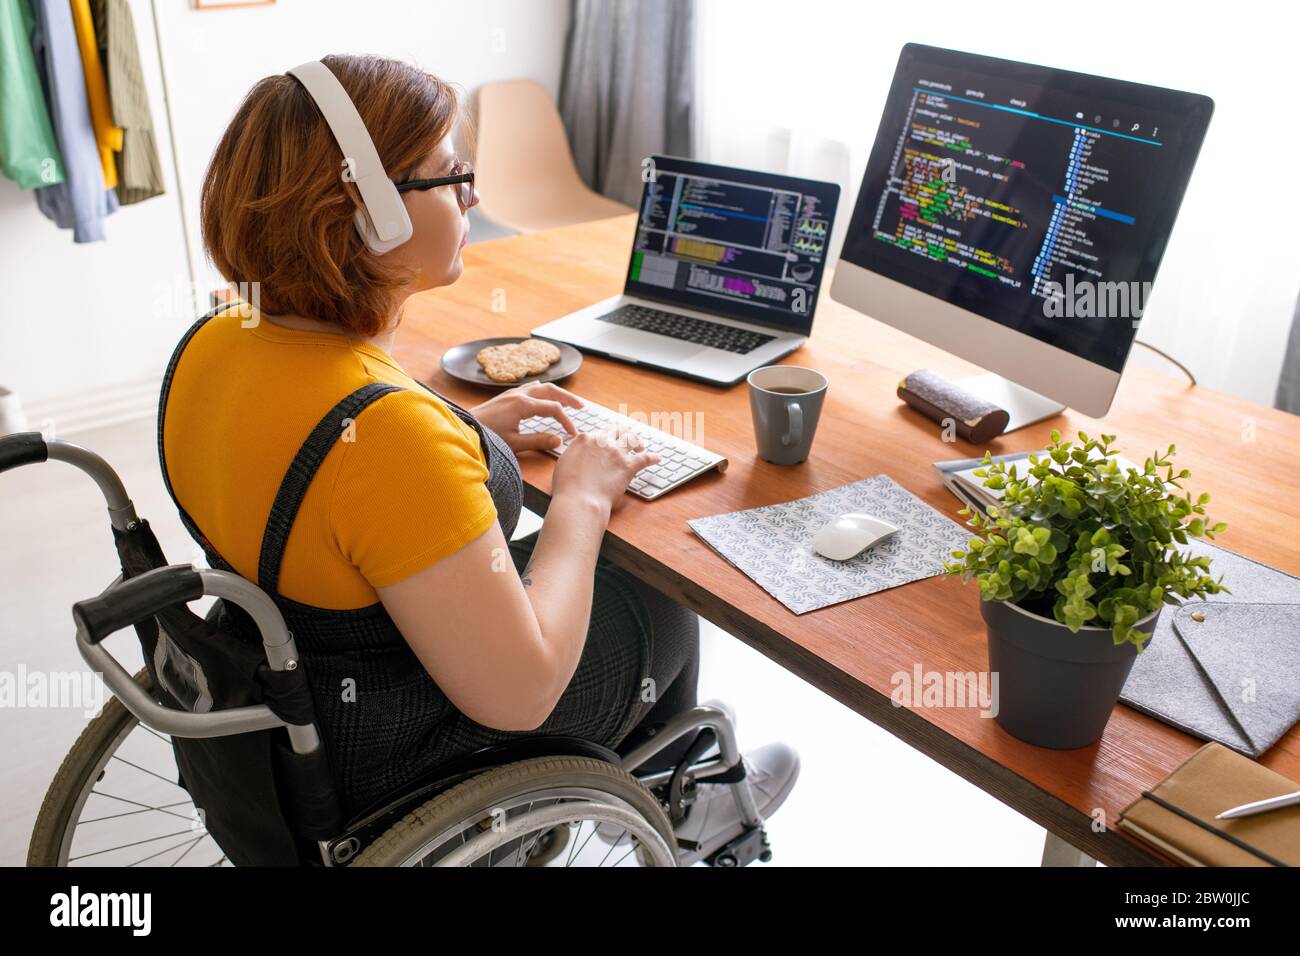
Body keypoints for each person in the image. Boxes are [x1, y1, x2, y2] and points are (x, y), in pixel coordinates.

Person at [159, 53, 797, 864]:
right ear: (371, 213)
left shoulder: (221, 337)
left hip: (287, 689)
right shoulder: (390, 438)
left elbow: (321, 478)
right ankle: (695, 803)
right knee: (658, 586)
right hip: (389, 748)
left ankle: (687, 792)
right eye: (452, 176)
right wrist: (583, 498)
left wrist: (460, 429)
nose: (475, 197)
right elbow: (521, 696)